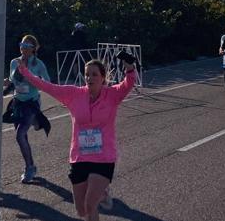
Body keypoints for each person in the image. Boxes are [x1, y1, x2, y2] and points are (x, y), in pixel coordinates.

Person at [19, 56, 138, 221]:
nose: (89, 78)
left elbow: (128, 84)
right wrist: (24, 71)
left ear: (103, 78)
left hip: (103, 157)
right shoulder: (73, 94)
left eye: (94, 74)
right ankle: (101, 195)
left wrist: (130, 69)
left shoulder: (112, 95)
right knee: (82, 211)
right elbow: (47, 86)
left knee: (90, 204)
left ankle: (99, 194)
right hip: (80, 156)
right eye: (87, 74)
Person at [6, 34, 51, 183]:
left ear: (33, 49)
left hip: (31, 102)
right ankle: (30, 165)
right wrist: (17, 72)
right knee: (22, 138)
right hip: (18, 103)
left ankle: (29, 168)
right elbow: (13, 79)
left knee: (19, 135)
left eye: (26, 46)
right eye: (21, 45)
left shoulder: (38, 64)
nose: (23, 48)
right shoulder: (14, 62)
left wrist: (34, 79)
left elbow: (47, 82)